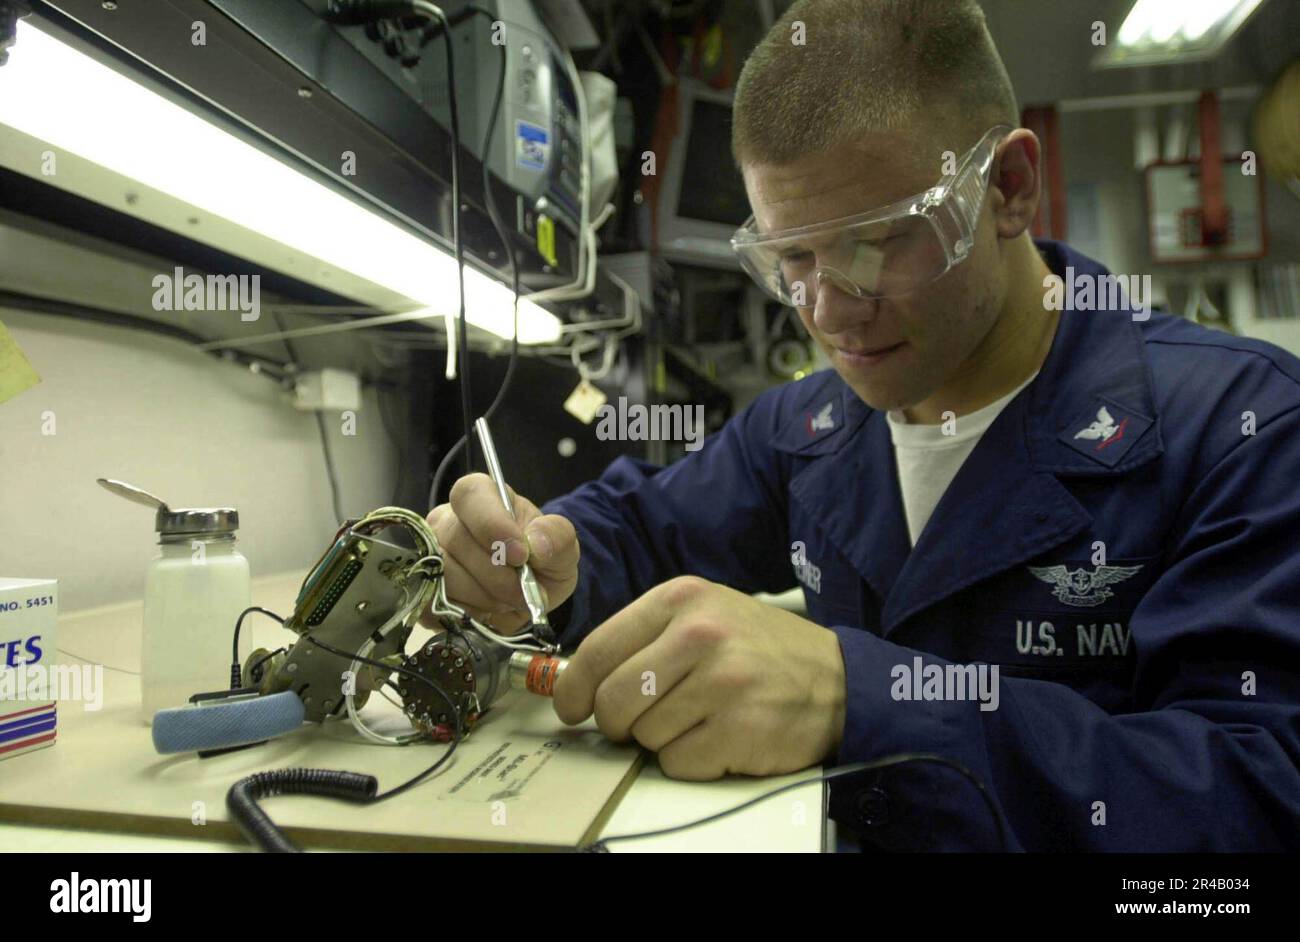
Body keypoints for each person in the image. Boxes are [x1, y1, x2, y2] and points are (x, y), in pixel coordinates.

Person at [425, 0, 1300, 850]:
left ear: (1008, 187)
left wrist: (857, 702)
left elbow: (1260, 795)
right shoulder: (808, 426)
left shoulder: (1243, 430)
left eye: (874, 242)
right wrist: (542, 560)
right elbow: (642, 530)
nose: (829, 312)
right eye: (791, 258)